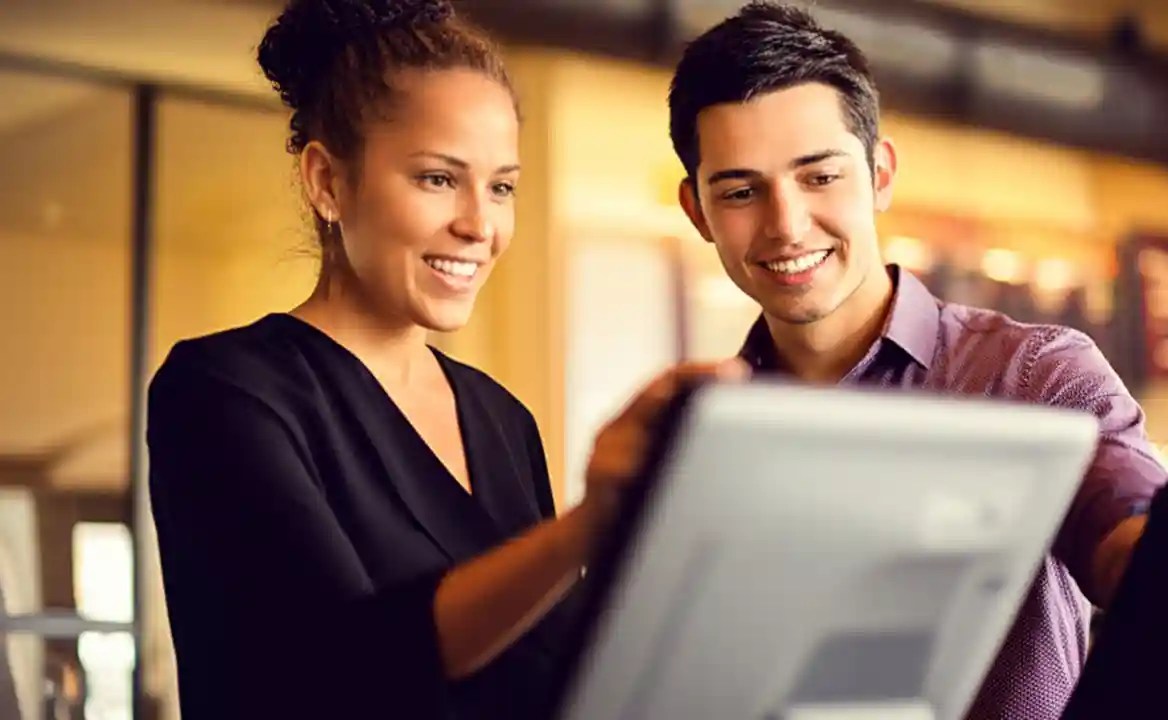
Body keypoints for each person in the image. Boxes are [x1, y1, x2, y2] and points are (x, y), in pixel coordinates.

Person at [145, 2, 741, 718]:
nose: (480, 225)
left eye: (502, 187)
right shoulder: (224, 391)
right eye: (437, 178)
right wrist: (585, 528)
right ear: (328, 183)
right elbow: (340, 672)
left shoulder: (501, 421)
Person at [664, 3, 1167, 718]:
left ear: (880, 172)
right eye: (741, 191)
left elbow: (1133, 534)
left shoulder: (1037, 374)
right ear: (697, 210)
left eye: (820, 176)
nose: (785, 224)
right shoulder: (690, 433)